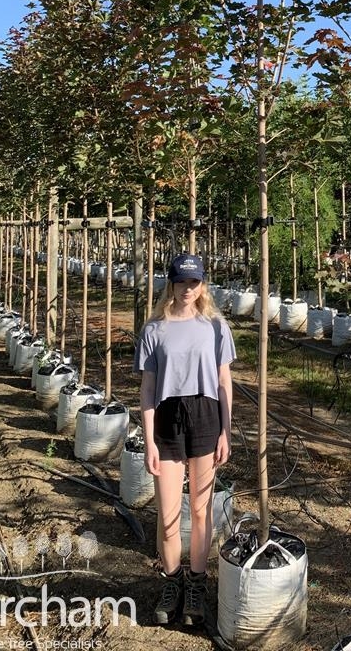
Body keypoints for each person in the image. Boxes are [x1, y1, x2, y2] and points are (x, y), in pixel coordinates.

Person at [134, 252, 235, 627]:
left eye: (195, 282)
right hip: (168, 419)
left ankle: (196, 585)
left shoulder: (215, 327)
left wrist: (226, 429)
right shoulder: (154, 330)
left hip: (206, 416)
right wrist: (149, 441)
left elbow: (224, 383)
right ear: (171, 285)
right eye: (182, 282)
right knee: (168, 510)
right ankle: (172, 582)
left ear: (202, 284)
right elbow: (147, 390)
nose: (188, 289)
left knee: (200, 508)